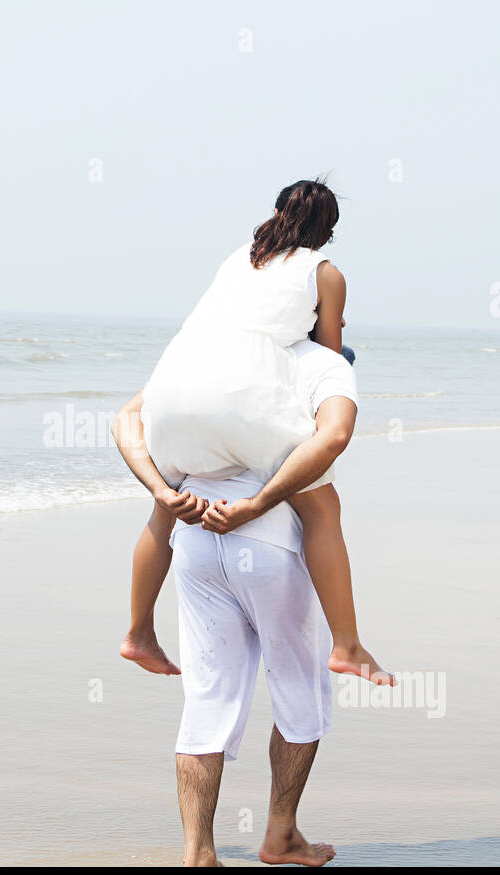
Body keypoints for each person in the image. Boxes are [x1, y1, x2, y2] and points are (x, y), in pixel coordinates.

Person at [113, 178, 391, 686]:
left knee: (164, 506)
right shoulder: (325, 271)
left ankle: (138, 632)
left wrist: (159, 483)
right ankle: (347, 645)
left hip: (178, 377)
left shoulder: (239, 256)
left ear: (277, 211)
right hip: (239, 389)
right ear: (328, 231)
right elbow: (327, 353)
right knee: (320, 508)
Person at [111, 335, 362, 866]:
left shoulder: (207, 352)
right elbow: (329, 446)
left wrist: (159, 486)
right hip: (269, 541)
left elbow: (129, 417)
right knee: (299, 692)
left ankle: (198, 853)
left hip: (196, 537)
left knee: (207, 703)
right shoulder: (318, 366)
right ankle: (280, 834)